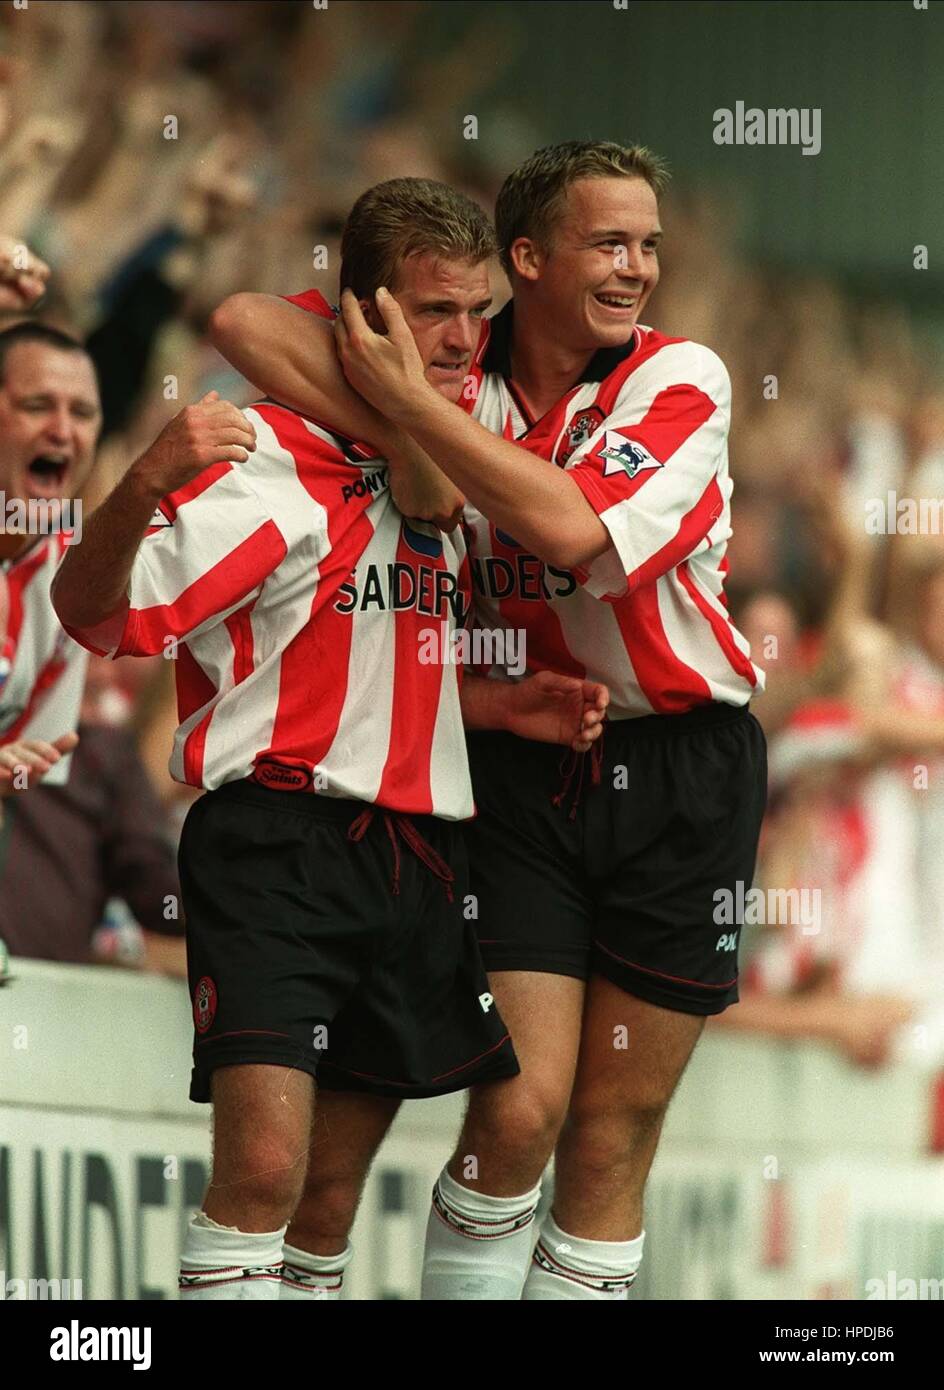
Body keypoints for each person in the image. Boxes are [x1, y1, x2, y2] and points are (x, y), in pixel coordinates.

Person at [211, 141, 768, 1301]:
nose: (636, 269)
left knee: (609, 1133)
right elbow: (244, 322)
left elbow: (571, 533)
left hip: (683, 765)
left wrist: (408, 415)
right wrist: (416, 418)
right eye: (608, 243)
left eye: (649, 244)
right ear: (528, 259)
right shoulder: (461, 363)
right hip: (519, 757)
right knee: (517, 1108)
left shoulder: (682, 383)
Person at [52, 177, 607, 1301]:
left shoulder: (466, 448)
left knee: (329, 1194)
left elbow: (368, 667)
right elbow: (92, 613)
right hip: (278, 843)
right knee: (260, 1167)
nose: (461, 339)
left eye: (476, 311)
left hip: (416, 858)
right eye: (431, 311)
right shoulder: (265, 462)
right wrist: (146, 481)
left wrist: (497, 708)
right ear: (362, 314)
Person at [0, 321, 102, 820]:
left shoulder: (74, 576)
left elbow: (23, 767)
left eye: (82, 413)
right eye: (37, 406)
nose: (63, 431)